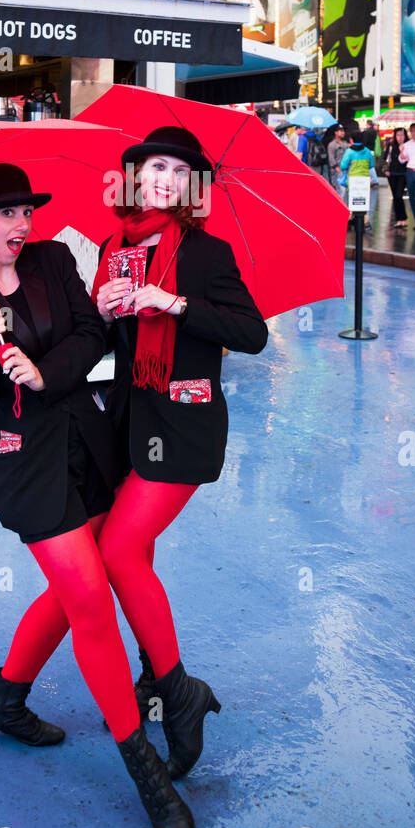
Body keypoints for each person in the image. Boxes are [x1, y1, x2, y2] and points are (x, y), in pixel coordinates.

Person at [0, 163, 195, 828]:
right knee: (90, 603)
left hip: (90, 443)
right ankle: (147, 775)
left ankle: (5, 697)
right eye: (8, 215)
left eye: (27, 212)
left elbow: (91, 333)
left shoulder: (51, 260)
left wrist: (45, 372)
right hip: (28, 470)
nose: (23, 226)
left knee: (79, 586)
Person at [93, 126, 268, 781]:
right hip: (128, 425)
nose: (162, 178)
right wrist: (103, 308)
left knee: (115, 551)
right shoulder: (117, 248)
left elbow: (253, 334)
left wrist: (178, 304)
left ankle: (178, 690)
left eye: (175, 169)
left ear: (191, 184)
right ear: (134, 174)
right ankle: (153, 679)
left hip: (186, 425)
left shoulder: (205, 252)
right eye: (151, 166)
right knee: (135, 555)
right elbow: (107, 344)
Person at [339, 134, 378, 232]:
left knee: (351, 202)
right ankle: (365, 222)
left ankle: (349, 221)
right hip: (364, 182)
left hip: (352, 182)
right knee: (363, 202)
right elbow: (371, 165)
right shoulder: (368, 151)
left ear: (351, 139)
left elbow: (343, 166)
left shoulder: (349, 152)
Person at [382, 126, 409, 227]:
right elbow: (385, 158)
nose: (400, 137)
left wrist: (402, 151)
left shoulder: (407, 145)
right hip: (392, 174)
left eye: (402, 135)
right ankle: (399, 219)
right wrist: (386, 170)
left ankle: (403, 218)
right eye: (398, 135)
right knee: (395, 197)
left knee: (399, 195)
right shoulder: (390, 145)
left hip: (403, 174)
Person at [327, 124, 347, 189]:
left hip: (345, 169)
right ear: (335, 133)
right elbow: (331, 158)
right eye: (341, 131)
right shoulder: (332, 144)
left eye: (343, 131)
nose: (343, 133)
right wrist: (336, 168)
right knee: (339, 190)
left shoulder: (345, 143)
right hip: (336, 171)